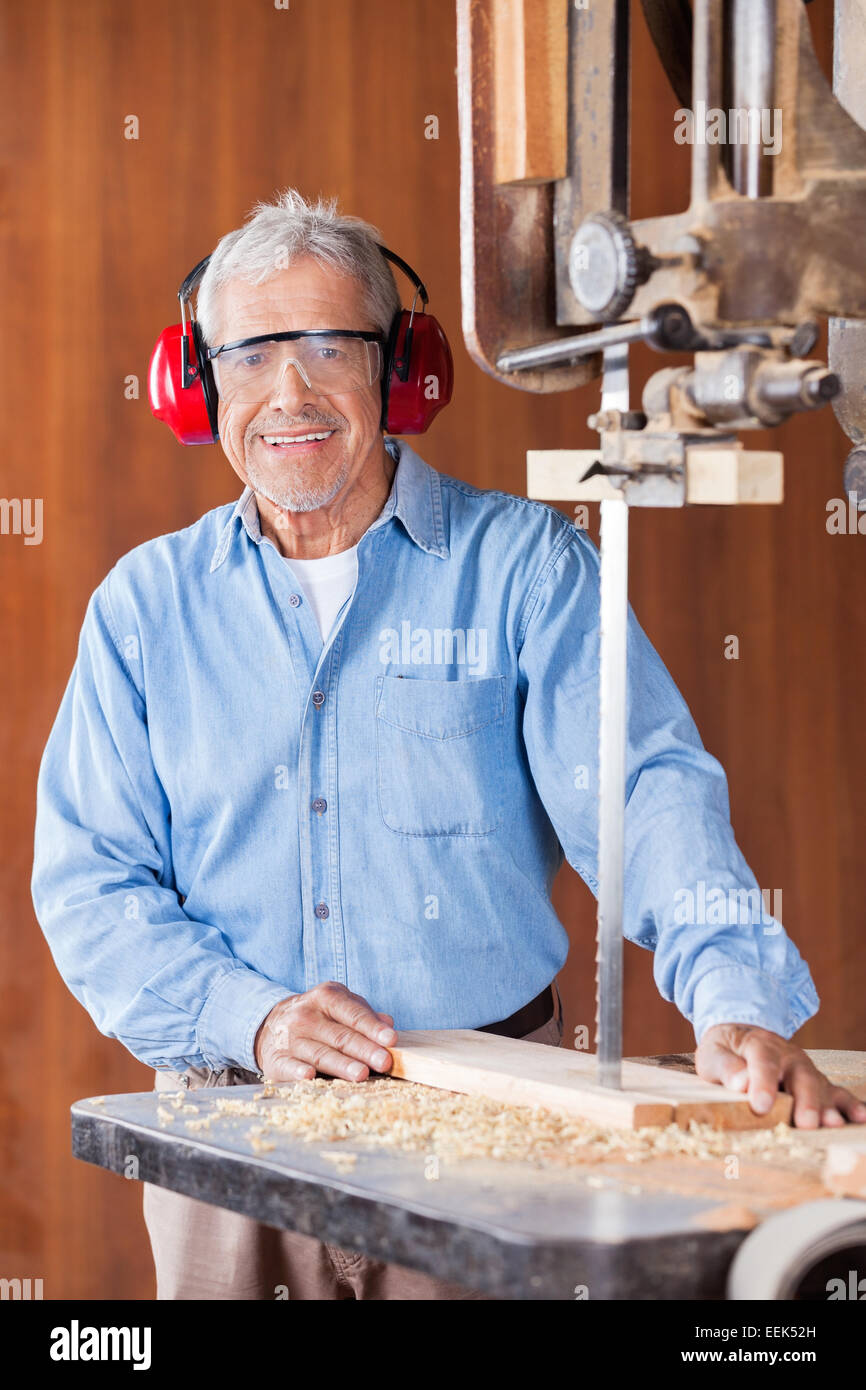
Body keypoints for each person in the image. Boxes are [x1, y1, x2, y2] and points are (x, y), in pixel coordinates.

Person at [31, 188, 866, 1301]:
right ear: (195, 383)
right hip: (227, 1131)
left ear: (399, 369)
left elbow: (643, 796)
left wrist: (733, 999)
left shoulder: (523, 568)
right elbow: (90, 887)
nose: (289, 392)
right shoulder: (143, 607)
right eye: (247, 355)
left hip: (490, 1132)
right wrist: (255, 1017)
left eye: (330, 346)